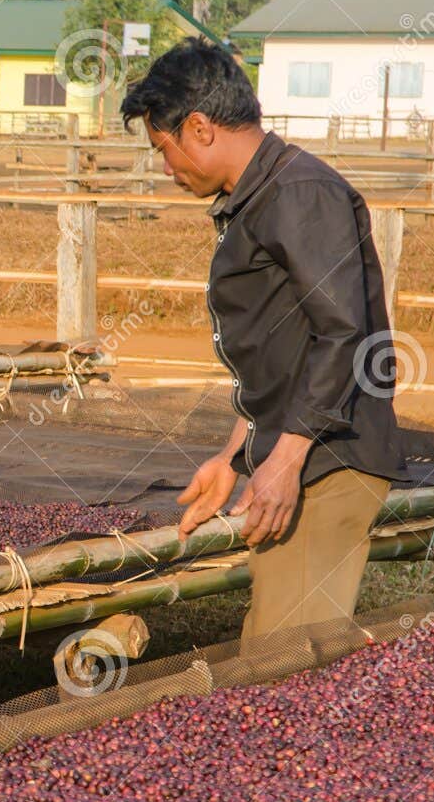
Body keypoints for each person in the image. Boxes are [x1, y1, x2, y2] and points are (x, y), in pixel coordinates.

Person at [122, 38, 406, 644]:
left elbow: (342, 333)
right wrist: (234, 457)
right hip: (301, 455)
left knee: (283, 667)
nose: (167, 169)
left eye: (163, 150)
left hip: (330, 459)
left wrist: (283, 459)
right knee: (270, 650)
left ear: (198, 127)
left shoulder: (300, 193)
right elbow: (284, 355)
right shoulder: (259, 196)